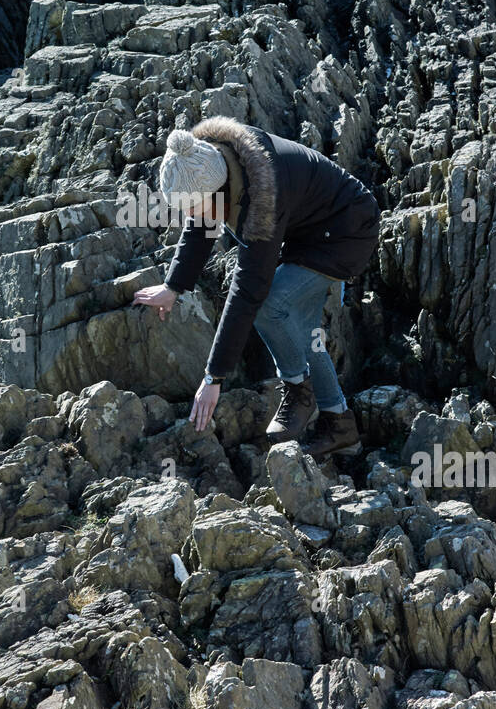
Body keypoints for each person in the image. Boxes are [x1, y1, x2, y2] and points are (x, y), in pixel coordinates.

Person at [132, 117, 380, 457]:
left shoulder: (261, 196)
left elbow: (248, 292)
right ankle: (340, 425)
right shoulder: (213, 163)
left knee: (269, 305)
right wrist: (173, 287)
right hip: (311, 229)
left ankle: (297, 390)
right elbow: (201, 224)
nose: (190, 216)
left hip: (345, 231)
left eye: (192, 207)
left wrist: (213, 378)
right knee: (305, 330)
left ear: (217, 191)